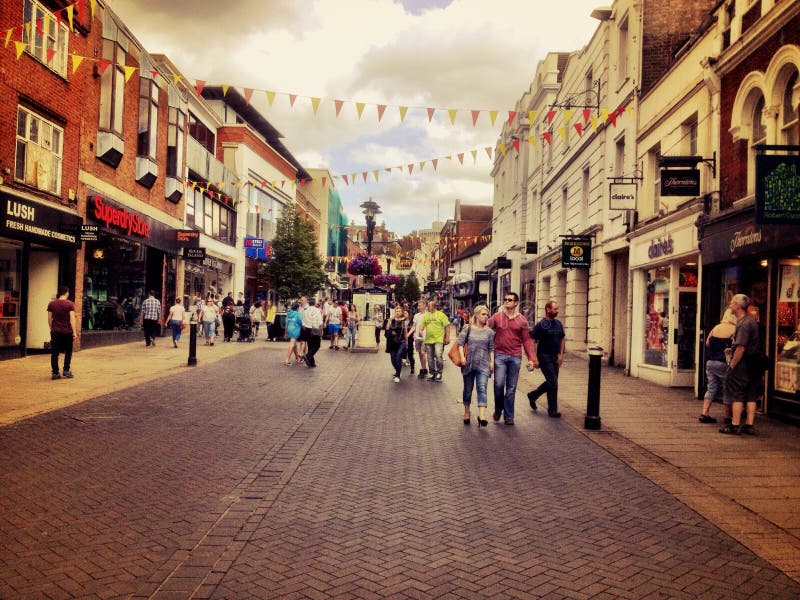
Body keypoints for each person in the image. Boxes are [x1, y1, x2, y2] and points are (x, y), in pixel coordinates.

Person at [488, 292, 536, 425]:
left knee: (511, 388)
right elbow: (485, 327)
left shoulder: (522, 321)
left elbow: (527, 340)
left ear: (516, 303)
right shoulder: (497, 317)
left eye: (510, 300)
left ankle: (509, 416)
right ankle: (498, 409)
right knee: (498, 384)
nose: (507, 301)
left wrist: (531, 358)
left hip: (515, 357)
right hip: (499, 355)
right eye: (505, 299)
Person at [720, 294, 761, 435]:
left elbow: (741, 348)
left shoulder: (743, 323)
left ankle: (735, 424)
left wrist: (732, 366)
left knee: (737, 393)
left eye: (732, 303)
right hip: (753, 363)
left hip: (743, 363)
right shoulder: (751, 320)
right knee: (751, 393)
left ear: (738, 305)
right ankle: (749, 425)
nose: (730, 305)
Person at [527, 300, 566, 418]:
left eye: (557, 309)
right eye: (555, 309)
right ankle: (552, 410)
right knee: (553, 382)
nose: (557, 311)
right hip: (544, 356)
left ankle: (533, 395)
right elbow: (532, 340)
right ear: (548, 310)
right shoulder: (541, 324)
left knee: (552, 382)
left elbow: (562, 339)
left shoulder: (558, 324)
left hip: (555, 357)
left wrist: (561, 355)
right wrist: (534, 359)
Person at [458, 304, 495, 427]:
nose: (486, 317)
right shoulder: (467, 328)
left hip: (483, 364)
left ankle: (482, 415)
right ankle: (467, 411)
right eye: (483, 314)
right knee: (468, 390)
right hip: (469, 363)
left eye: (487, 315)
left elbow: (491, 348)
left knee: (482, 388)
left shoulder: (490, 332)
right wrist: (463, 357)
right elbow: (460, 344)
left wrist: (491, 362)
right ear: (477, 315)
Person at [699, 308, 737, 423]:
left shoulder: (716, 328)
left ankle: (704, 413)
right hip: (724, 362)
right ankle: (727, 416)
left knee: (711, 387)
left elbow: (707, 343)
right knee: (727, 389)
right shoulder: (734, 329)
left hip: (711, 362)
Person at [47, 286, 77, 380]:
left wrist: (52, 328)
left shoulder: (51, 304)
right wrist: (74, 332)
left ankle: (55, 373)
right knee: (68, 351)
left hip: (55, 331)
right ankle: (66, 370)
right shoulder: (70, 304)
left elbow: (49, 319)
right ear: (66, 293)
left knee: (55, 352)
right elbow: (72, 319)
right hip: (67, 331)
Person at [420, 300, 451, 382]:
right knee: (430, 358)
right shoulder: (426, 316)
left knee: (438, 355)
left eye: (429, 306)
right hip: (428, 340)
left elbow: (447, 326)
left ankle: (439, 372)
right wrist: (420, 330)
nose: (428, 307)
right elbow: (422, 325)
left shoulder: (441, 315)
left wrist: (447, 337)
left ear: (434, 306)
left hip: (438, 339)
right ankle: (432, 373)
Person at [385, 306, 409, 382]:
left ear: (401, 312)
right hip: (392, 342)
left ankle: (398, 375)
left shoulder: (404, 320)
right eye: (396, 311)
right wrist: (390, 320)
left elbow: (405, 332)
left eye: (399, 311)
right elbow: (387, 329)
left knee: (398, 357)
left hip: (401, 342)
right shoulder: (391, 320)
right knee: (393, 359)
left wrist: (406, 342)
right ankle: (397, 370)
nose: (397, 312)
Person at [302, 297, 323, 367]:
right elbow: (320, 321)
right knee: (317, 345)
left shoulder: (305, 310)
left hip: (307, 329)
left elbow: (303, 320)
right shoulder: (317, 310)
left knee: (310, 346)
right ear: (314, 303)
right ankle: (307, 356)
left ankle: (312, 362)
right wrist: (321, 330)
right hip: (315, 329)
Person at [411, 300, 428, 379]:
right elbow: (414, 326)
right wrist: (409, 334)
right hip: (417, 337)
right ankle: (423, 368)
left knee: (423, 352)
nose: (418, 307)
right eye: (418, 306)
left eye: (420, 306)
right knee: (420, 354)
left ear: (424, 306)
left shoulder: (428, 315)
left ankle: (423, 369)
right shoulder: (416, 315)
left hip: (425, 337)